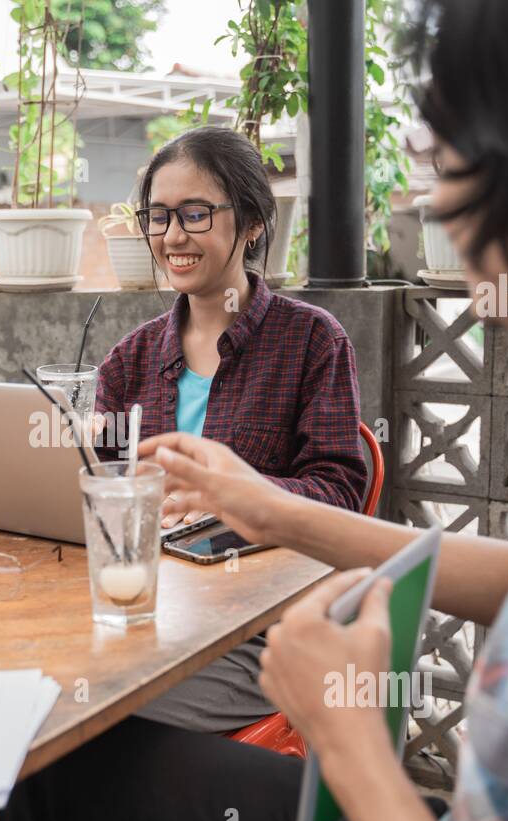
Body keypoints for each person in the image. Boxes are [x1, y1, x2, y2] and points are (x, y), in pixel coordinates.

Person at [0, 0, 508, 821]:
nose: (437, 202)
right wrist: (269, 509)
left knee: (56, 759)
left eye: (450, 161)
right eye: (159, 215)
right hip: (441, 806)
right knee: (59, 771)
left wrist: (346, 739)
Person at [93, 125, 366, 733]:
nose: (172, 237)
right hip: (151, 615)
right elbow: (101, 488)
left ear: (251, 224)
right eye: (157, 217)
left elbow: (344, 493)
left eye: (194, 214)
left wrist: (235, 494)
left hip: (260, 636)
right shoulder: (128, 360)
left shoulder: (312, 340)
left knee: (87, 718)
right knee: (50, 696)